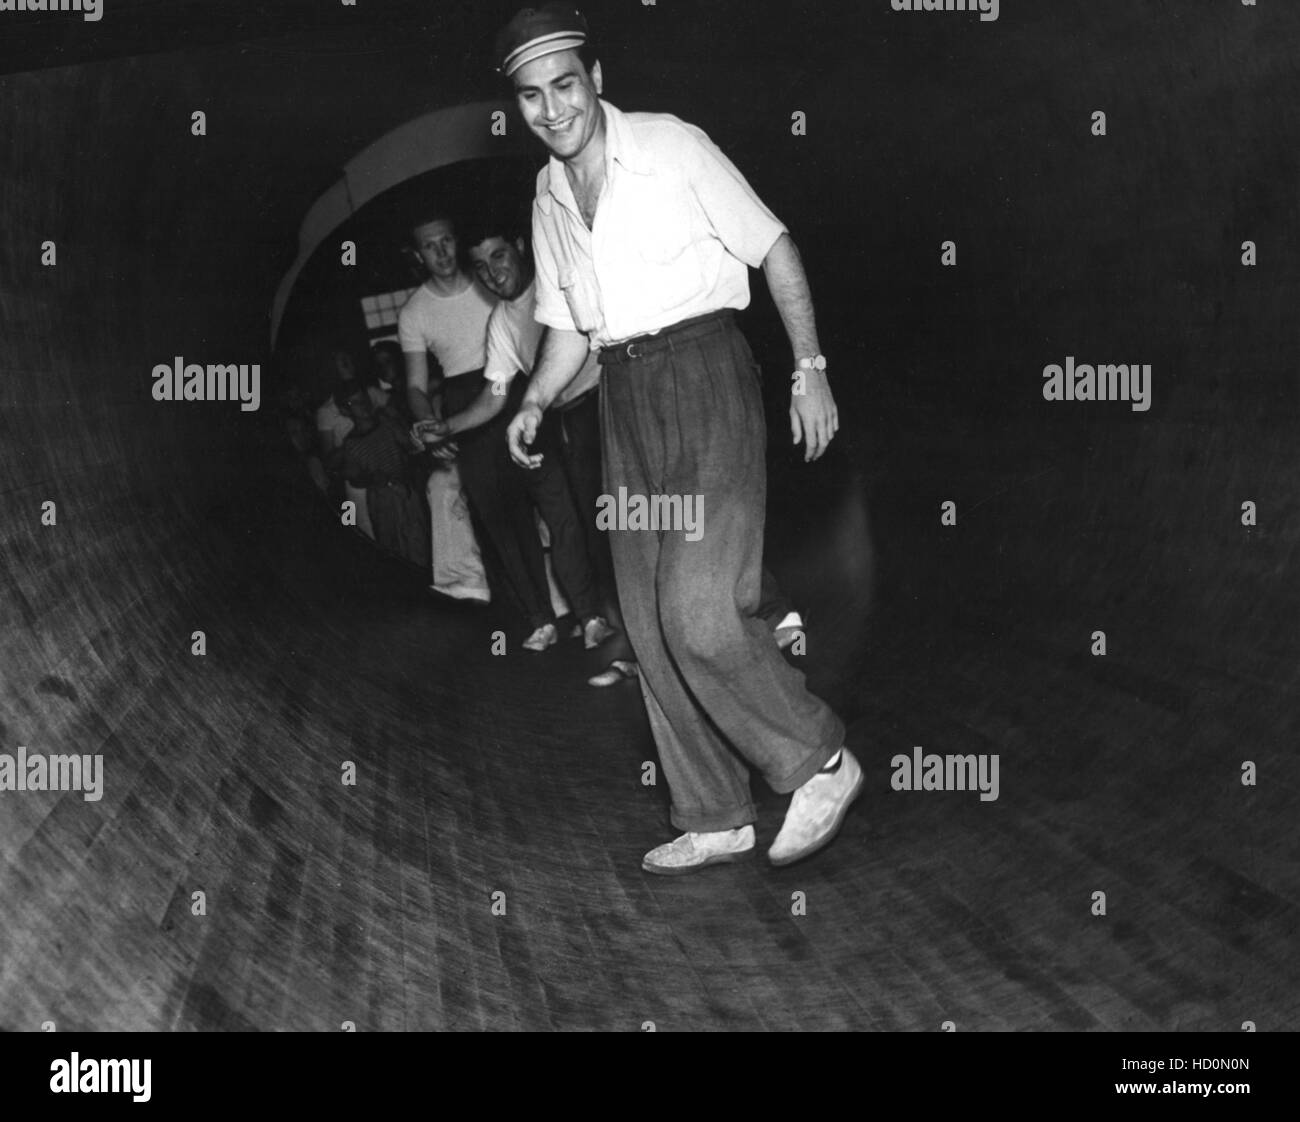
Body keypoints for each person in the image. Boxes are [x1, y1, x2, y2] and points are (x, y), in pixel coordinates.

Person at [496, 4, 860, 873]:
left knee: (699, 609)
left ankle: (822, 760)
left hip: (704, 376)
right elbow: (567, 330)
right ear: (518, 107)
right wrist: (535, 401)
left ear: (596, 80)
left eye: (566, 86)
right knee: (649, 623)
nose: (554, 110)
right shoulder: (547, 198)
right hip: (622, 397)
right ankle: (714, 812)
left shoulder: (670, 146)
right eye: (532, 97)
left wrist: (809, 366)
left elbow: (774, 246)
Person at [422, 221, 617, 652]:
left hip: (608, 404)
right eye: (480, 266)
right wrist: (447, 426)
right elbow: (494, 397)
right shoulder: (500, 324)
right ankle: (595, 621)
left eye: (499, 256)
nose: (492, 273)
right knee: (570, 526)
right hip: (559, 420)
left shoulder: (557, 286)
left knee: (621, 518)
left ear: (520, 245)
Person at [335, 383, 430, 567]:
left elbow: (410, 446)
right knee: (394, 550)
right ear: (345, 411)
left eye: (363, 399)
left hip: (405, 491)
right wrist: (371, 478)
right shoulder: (351, 444)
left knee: (419, 544)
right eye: (354, 403)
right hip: (383, 499)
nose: (362, 405)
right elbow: (355, 478)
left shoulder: (386, 423)